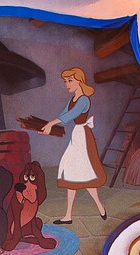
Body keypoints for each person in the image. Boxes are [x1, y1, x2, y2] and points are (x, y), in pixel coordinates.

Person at [38, 67, 109, 224]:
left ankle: (99, 205)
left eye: (70, 80)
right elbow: (63, 114)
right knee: (72, 173)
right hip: (76, 135)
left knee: (84, 172)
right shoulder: (72, 99)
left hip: (83, 136)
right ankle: (69, 215)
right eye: (65, 81)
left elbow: (71, 116)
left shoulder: (84, 100)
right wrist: (49, 125)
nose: (67, 84)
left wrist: (51, 124)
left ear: (79, 81)